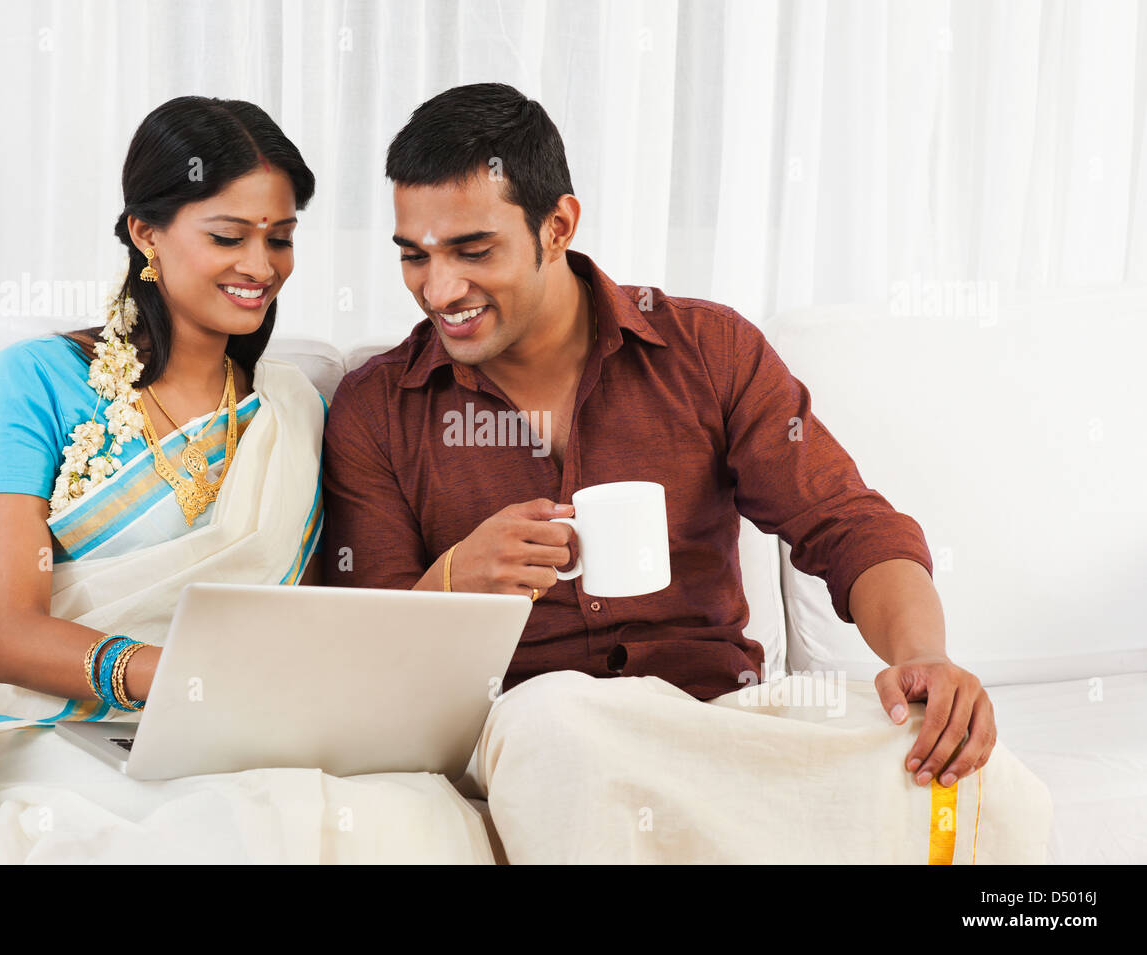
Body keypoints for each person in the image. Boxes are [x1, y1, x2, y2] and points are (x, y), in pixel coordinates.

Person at [320, 83, 1054, 863]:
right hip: (535, 734)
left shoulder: (708, 350)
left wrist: (923, 656)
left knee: (958, 763)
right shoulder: (378, 409)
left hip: (721, 723)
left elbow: (848, 524)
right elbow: (369, 676)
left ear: (557, 226)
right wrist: (452, 579)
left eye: (473, 252)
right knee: (553, 724)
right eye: (415, 256)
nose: (439, 289)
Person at [0, 95, 492, 864]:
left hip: (237, 727)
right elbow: (10, 634)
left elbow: (304, 623)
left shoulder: (292, 409)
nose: (261, 267)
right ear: (147, 232)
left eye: (280, 238)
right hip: (53, 719)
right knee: (212, 831)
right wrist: (177, 679)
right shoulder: (39, 379)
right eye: (228, 236)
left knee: (413, 816)